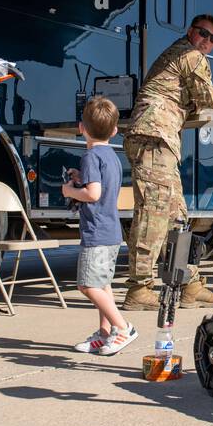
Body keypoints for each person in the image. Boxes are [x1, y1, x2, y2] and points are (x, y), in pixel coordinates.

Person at [122, 15, 213, 311]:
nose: (207, 42)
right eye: (203, 34)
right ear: (191, 32)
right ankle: (139, 289)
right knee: (154, 212)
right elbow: (211, 101)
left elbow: (199, 99)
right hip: (154, 137)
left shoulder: (184, 56)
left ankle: (188, 283)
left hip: (159, 139)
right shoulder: (191, 56)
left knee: (176, 215)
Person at [65, 97, 137, 355]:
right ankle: (105, 333)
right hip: (111, 230)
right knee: (103, 284)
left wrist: (70, 191)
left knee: (87, 285)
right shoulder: (112, 156)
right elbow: (102, 187)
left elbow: (93, 194)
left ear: (81, 128)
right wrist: (81, 178)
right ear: (115, 130)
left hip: (96, 232)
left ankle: (122, 327)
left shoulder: (90, 156)